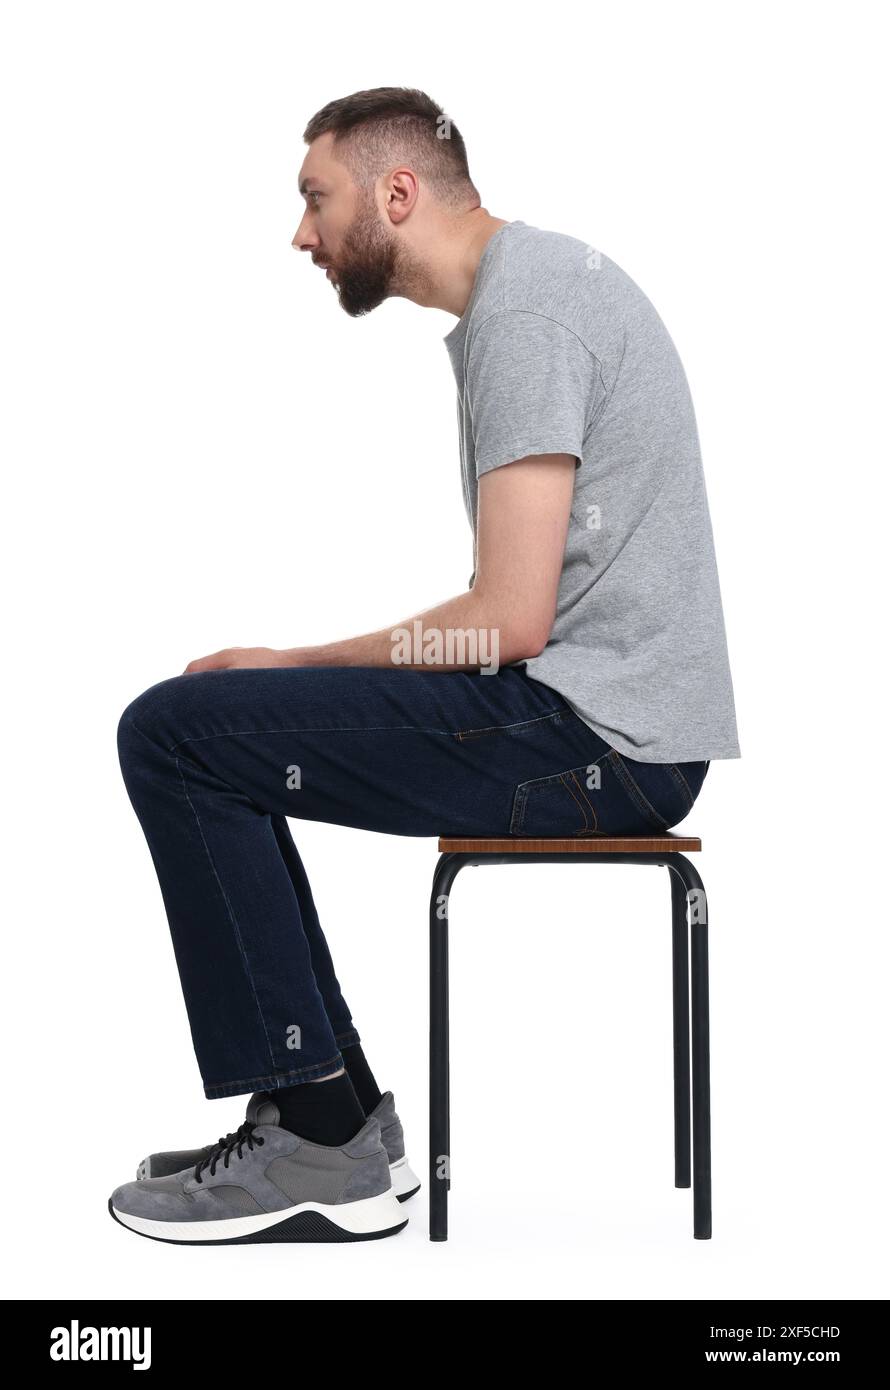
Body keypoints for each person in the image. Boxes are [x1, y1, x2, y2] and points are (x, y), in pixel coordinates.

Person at [108, 86, 740, 1244]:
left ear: (396, 194)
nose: (300, 234)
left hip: (598, 745)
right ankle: (331, 1117)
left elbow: (506, 621)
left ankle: (316, 1129)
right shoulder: (532, 293)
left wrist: (288, 663)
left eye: (315, 197)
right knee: (202, 731)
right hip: (601, 725)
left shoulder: (529, 317)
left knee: (174, 732)